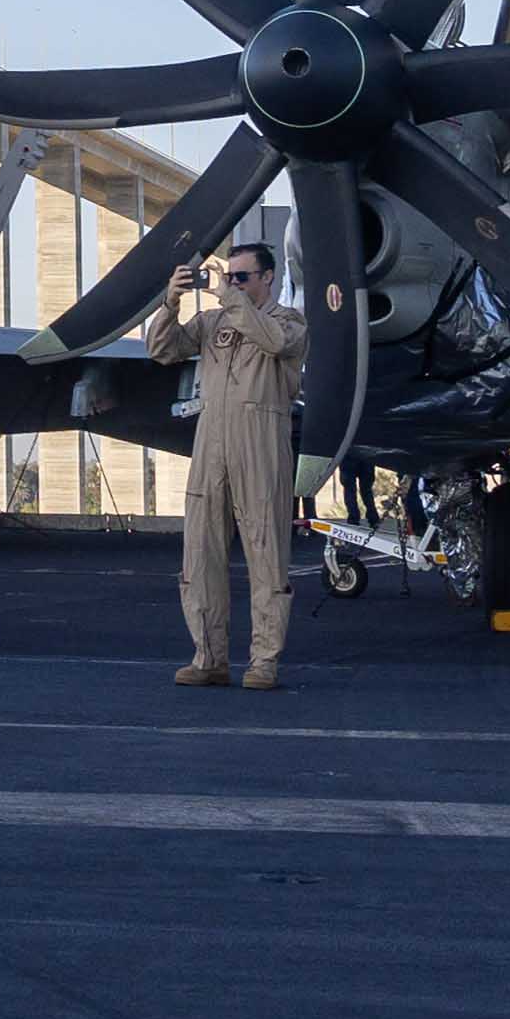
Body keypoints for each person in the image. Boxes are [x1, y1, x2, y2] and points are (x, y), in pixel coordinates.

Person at [151, 240, 304, 689]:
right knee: (200, 553)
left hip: (260, 441)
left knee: (266, 555)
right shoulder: (213, 322)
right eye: (230, 276)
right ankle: (209, 657)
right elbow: (162, 350)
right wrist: (170, 301)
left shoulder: (289, 322)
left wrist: (233, 300)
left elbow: (273, 342)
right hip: (210, 441)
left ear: (267, 278)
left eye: (242, 276)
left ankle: (264, 660)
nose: (231, 283)